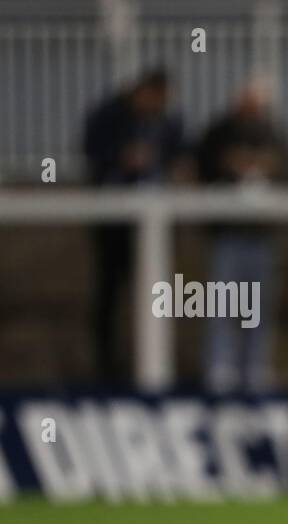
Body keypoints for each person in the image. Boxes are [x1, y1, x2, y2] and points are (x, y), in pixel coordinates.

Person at [82, 68, 185, 385]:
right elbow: (91, 151)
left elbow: (181, 154)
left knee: (154, 293)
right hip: (114, 221)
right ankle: (106, 365)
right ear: (145, 92)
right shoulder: (110, 115)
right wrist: (121, 158)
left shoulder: (165, 122)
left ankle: (150, 363)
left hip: (153, 224)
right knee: (110, 290)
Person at [194, 78, 288, 393]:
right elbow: (204, 164)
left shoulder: (271, 134)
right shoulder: (220, 131)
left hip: (260, 236)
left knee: (259, 307)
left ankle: (254, 367)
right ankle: (220, 367)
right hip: (229, 234)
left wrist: (267, 165)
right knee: (224, 305)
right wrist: (231, 164)